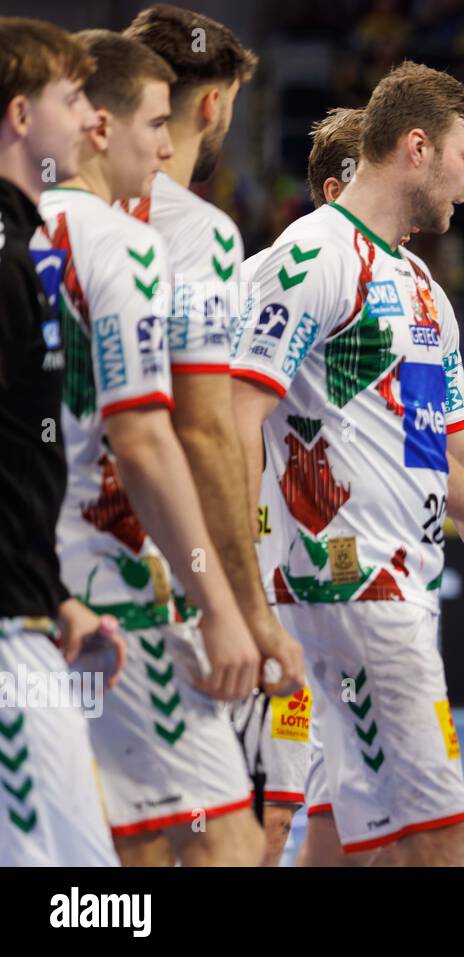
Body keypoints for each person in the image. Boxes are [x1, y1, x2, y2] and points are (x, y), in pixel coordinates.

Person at [230, 61, 464, 866]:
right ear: (418, 148)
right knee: (436, 830)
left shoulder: (422, 288)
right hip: (348, 588)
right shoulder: (309, 257)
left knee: (357, 837)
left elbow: (443, 459)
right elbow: (231, 424)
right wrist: (231, 590)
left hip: (400, 588)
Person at [41, 29, 263, 867]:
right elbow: (162, 436)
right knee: (224, 843)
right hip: (121, 590)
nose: (168, 147)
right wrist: (223, 602)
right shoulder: (132, 242)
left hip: (38, 599)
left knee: (105, 852)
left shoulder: (20, 229)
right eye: (153, 123)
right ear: (97, 125)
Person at [121, 4, 307, 698]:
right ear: (210, 101)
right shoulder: (201, 233)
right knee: (217, 806)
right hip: (153, 574)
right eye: (231, 105)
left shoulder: (49, 213)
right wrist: (243, 607)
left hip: (52, 572)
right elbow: (209, 427)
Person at [0, 16, 117, 866]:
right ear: (17, 115)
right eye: (71, 98)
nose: (90, 120)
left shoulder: (24, 243)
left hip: (28, 617)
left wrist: (50, 593)